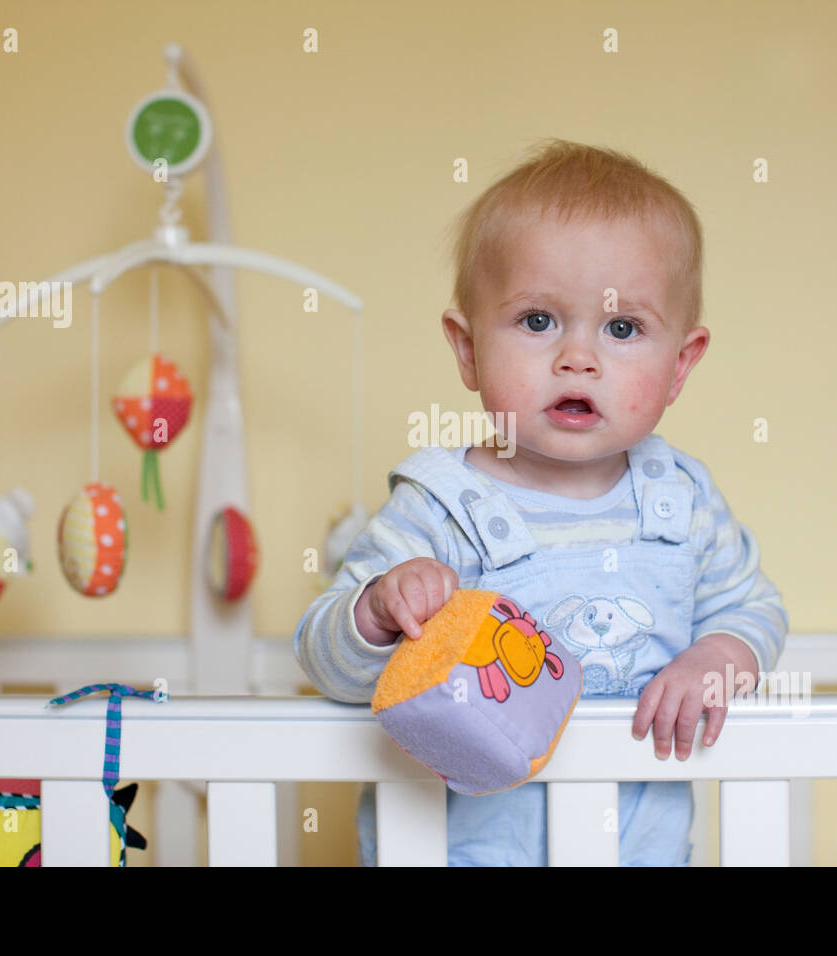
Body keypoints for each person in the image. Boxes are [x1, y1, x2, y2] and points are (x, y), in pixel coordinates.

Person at [293, 138, 789, 865]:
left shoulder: (680, 501)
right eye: (537, 321)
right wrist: (374, 609)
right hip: (452, 849)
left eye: (622, 329)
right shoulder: (441, 508)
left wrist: (717, 656)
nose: (578, 358)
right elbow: (326, 661)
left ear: (681, 365)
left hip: (639, 851)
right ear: (467, 350)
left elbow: (754, 609)